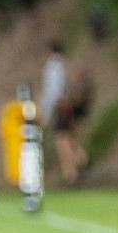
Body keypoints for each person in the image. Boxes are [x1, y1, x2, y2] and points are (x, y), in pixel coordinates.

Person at [43, 40, 90, 186]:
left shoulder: (53, 67)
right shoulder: (67, 63)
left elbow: (52, 92)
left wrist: (46, 113)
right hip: (74, 106)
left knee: (61, 139)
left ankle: (72, 171)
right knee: (68, 135)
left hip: (62, 107)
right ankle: (80, 159)